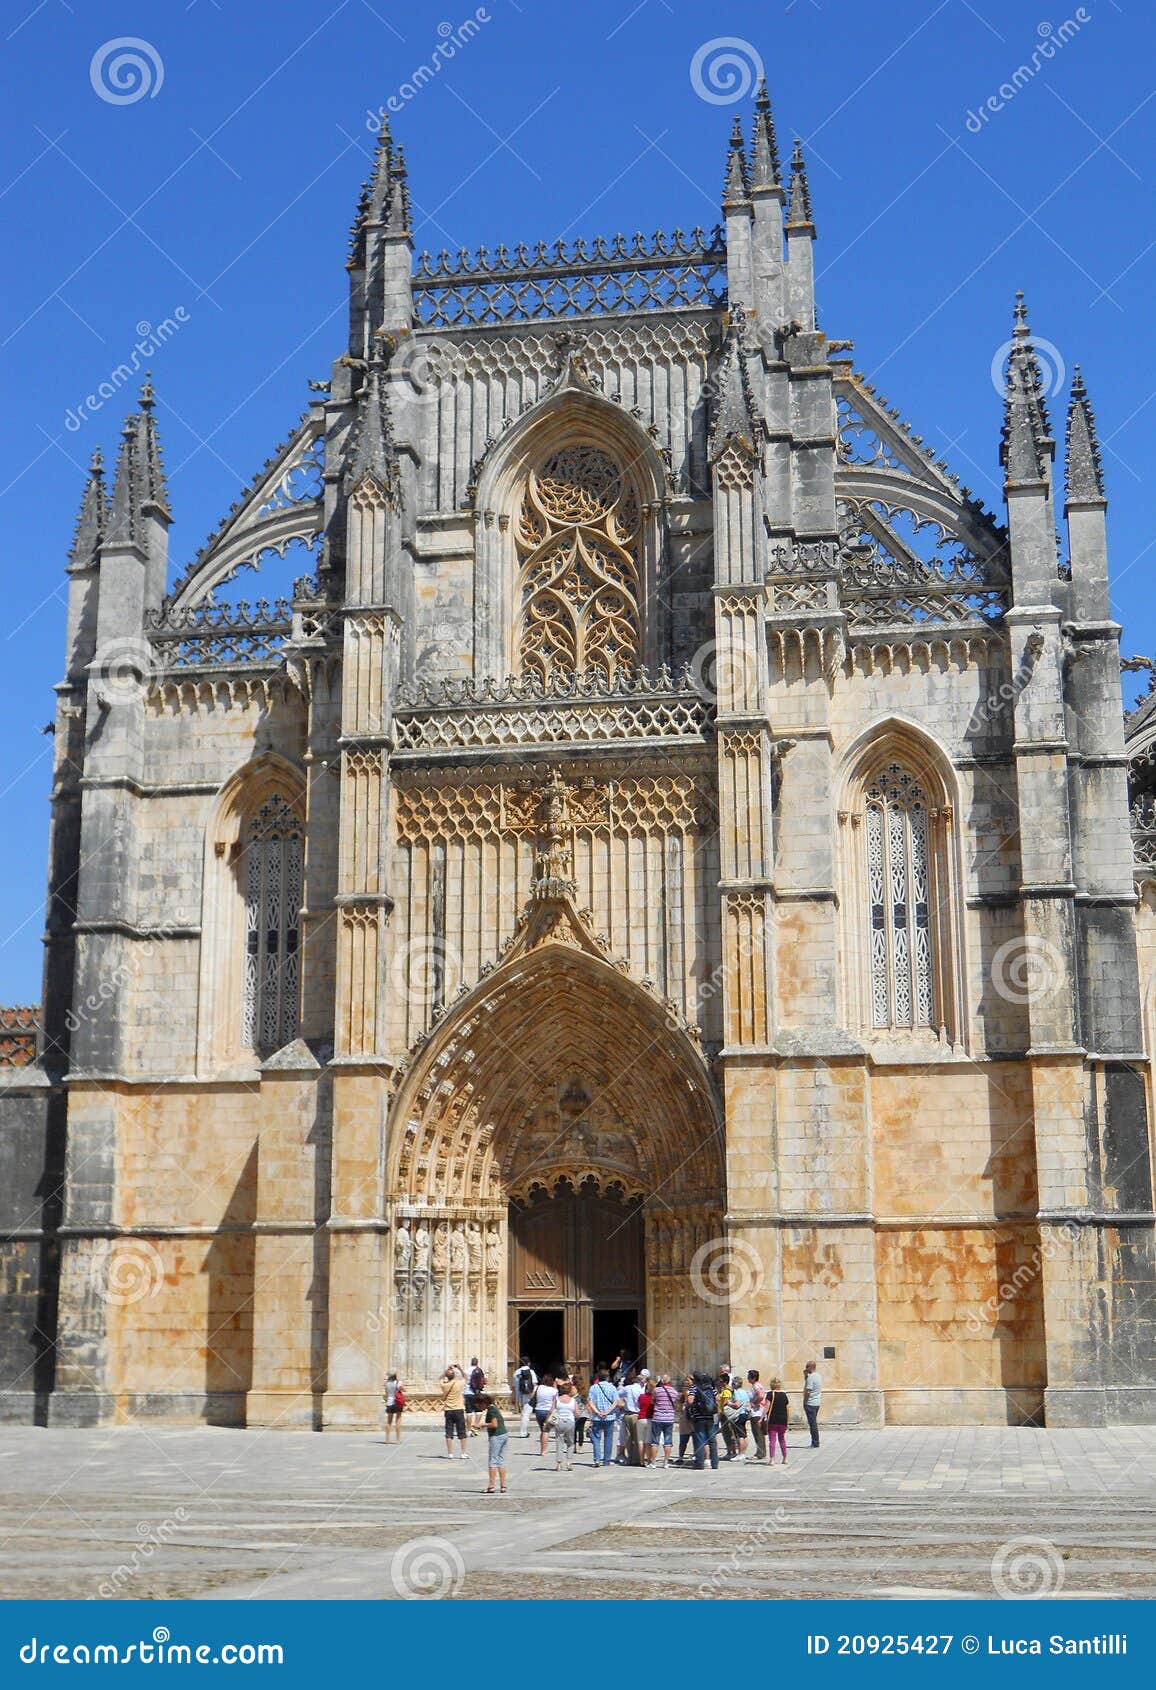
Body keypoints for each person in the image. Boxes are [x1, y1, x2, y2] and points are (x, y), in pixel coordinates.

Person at [587, 1369, 622, 1468]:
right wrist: (607, 1411)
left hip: (597, 1417)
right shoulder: (612, 1387)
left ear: (598, 1378)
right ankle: (606, 1460)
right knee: (608, 1438)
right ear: (607, 1377)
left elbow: (590, 1402)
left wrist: (597, 1412)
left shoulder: (593, 1388)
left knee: (596, 1438)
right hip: (609, 1417)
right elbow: (616, 1402)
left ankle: (597, 1459)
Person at [648, 1373, 680, 1470]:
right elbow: (676, 1402)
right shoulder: (674, 1392)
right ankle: (666, 1462)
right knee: (668, 1441)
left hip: (658, 1417)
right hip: (669, 1418)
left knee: (655, 1441)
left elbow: (652, 1402)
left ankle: (653, 1462)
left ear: (661, 1381)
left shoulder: (656, 1390)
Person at [690, 1371, 720, 1471]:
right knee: (712, 1441)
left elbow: (690, 1400)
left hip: (699, 1417)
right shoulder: (711, 1388)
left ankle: (700, 1464)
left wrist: (695, 1405)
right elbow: (718, 1398)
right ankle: (715, 1463)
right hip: (710, 1417)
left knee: (700, 1440)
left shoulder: (694, 1388)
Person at [479, 1393, 508, 1494]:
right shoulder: (494, 1408)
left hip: (496, 1436)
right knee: (501, 1460)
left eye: (479, 1404)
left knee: (493, 1460)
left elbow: (494, 1424)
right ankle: (503, 1486)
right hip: (503, 1434)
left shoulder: (491, 1410)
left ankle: (491, 1486)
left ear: (484, 1403)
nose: (479, 1407)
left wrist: (483, 1425)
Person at [440, 1364, 468, 1460]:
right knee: (462, 1432)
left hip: (448, 1410)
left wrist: (447, 1369)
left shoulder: (444, 1385)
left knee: (449, 1432)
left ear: (447, 1377)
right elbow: (466, 1377)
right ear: (455, 1375)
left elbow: (440, 1378)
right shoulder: (459, 1384)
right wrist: (460, 1368)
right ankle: (463, 1453)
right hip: (459, 1409)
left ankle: (450, 1453)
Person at [619, 1369, 643, 1465]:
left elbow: (617, 1394)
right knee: (637, 1437)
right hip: (637, 1414)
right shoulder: (640, 1388)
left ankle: (630, 1458)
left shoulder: (626, 1388)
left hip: (628, 1414)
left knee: (628, 1438)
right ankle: (637, 1458)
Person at [532, 1371, 558, 1456]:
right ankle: (543, 1451)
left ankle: (542, 1448)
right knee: (546, 1431)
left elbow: (532, 1396)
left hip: (538, 1411)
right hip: (548, 1411)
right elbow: (556, 1402)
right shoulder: (554, 1390)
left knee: (542, 1430)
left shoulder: (538, 1388)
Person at [554, 1376, 577, 1470]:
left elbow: (551, 1411)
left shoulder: (557, 1399)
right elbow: (577, 1413)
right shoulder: (573, 1400)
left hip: (559, 1421)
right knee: (570, 1442)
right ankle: (569, 1462)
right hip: (570, 1421)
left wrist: (547, 1421)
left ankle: (559, 1463)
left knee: (559, 1442)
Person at [766, 1376, 789, 1464]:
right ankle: (785, 1458)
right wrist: (787, 1420)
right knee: (782, 1439)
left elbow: (767, 1407)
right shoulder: (784, 1395)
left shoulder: (770, 1394)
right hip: (783, 1420)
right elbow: (787, 1408)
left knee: (772, 1439)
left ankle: (772, 1459)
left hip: (773, 1419)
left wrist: (761, 1417)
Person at [513, 1356, 537, 1438]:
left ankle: (523, 1431)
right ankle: (523, 1432)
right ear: (528, 1363)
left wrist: (514, 1397)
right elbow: (534, 1384)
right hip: (528, 1395)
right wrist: (533, 1395)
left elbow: (514, 1386)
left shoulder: (516, 1372)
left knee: (523, 1413)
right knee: (526, 1414)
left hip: (519, 1396)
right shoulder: (531, 1372)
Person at [747, 1370, 767, 1462]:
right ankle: (760, 1451)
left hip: (757, 1412)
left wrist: (754, 1403)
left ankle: (760, 1453)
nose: (747, 1378)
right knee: (758, 1433)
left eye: (749, 1377)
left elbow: (761, 1396)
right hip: (757, 1412)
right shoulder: (757, 1385)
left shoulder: (756, 1386)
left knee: (758, 1433)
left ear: (753, 1378)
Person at [675, 1374, 695, 1463]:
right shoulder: (685, 1391)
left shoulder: (693, 1390)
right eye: (686, 1380)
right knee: (683, 1438)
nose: (686, 1382)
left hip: (692, 1417)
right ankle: (681, 1457)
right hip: (685, 1416)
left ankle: (695, 1454)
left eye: (688, 1380)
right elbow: (680, 1402)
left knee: (694, 1437)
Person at [465, 1357, 487, 1436]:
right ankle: (475, 1427)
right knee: (479, 1411)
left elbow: (464, 1380)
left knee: (469, 1413)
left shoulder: (467, 1371)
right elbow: (485, 1381)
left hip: (468, 1393)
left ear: (471, 1362)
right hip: (477, 1393)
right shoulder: (480, 1371)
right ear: (477, 1363)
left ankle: (469, 1430)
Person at [803, 1360, 822, 1447]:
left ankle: (815, 1442)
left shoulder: (811, 1377)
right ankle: (815, 1441)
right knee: (813, 1422)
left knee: (812, 1423)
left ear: (811, 1367)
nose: (806, 1368)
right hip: (816, 1402)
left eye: (807, 1366)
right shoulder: (818, 1376)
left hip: (810, 1403)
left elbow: (808, 1390)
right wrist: (806, 1376)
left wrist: (805, 1401)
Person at [383, 1371, 405, 1443]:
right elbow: (403, 1389)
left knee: (389, 1422)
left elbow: (386, 1394)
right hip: (397, 1403)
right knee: (398, 1421)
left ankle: (387, 1439)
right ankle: (398, 1440)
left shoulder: (386, 1383)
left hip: (389, 1402)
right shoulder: (398, 1382)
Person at [637, 1376, 654, 1465]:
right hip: (650, 1418)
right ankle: (648, 1460)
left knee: (640, 1440)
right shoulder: (653, 1398)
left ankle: (641, 1460)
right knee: (648, 1441)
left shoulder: (641, 1396)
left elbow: (639, 1406)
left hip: (641, 1418)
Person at [572, 1373, 589, 1451]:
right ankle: (580, 1447)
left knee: (574, 1430)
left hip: (575, 1412)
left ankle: (574, 1446)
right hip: (584, 1412)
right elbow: (587, 1402)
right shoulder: (584, 1389)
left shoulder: (573, 1388)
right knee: (581, 1429)